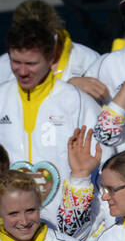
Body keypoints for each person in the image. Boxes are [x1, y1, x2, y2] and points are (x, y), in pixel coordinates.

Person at [0, 20, 98, 189]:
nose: (22, 72)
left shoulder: (78, 102)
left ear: (51, 58)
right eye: (16, 62)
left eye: (31, 64)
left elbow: (103, 164)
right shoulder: (2, 97)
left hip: (64, 213)